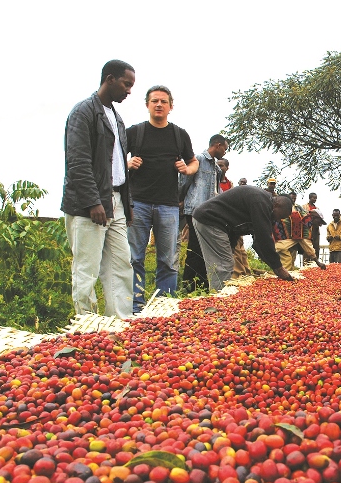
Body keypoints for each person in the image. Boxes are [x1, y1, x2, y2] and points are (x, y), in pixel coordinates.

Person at [62, 60, 135, 318]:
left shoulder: (116, 118)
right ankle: (87, 324)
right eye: (126, 84)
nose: (129, 91)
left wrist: (126, 205)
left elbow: (117, 166)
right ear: (110, 79)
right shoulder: (84, 112)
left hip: (114, 200)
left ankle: (120, 321)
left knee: (121, 264)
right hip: (88, 203)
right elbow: (78, 162)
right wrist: (94, 202)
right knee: (87, 266)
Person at [125, 85, 195, 313]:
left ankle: (164, 306)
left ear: (170, 106)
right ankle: (135, 306)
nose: (159, 105)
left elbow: (194, 162)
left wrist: (186, 169)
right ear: (147, 105)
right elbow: (113, 157)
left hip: (168, 205)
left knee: (168, 259)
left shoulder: (179, 134)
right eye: (154, 101)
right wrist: (127, 164)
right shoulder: (135, 132)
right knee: (134, 257)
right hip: (138, 203)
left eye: (163, 102)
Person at [192, 187, 295, 290]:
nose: (277, 220)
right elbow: (264, 237)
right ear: (276, 205)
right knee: (224, 265)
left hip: (217, 224)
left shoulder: (265, 204)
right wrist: (278, 268)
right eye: (279, 216)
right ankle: (218, 298)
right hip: (211, 220)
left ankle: (215, 294)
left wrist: (274, 266)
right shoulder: (261, 202)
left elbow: (257, 243)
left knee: (224, 262)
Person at [180, 134, 229, 291]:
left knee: (203, 248)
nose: (225, 152)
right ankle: (189, 285)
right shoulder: (199, 159)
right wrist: (180, 200)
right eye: (225, 149)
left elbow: (215, 191)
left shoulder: (215, 167)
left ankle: (201, 284)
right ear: (217, 145)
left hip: (207, 212)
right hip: (194, 208)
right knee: (194, 247)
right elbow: (185, 180)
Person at [273, 200, 326, 270]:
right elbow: (306, 244)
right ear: (314, 217)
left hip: (284, 241)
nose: (320, 225)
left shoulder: (303, 216)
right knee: (287, 261)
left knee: (290, 259)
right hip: (279, 241)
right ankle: (282, 278)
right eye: (320, 221)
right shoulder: (305, 222)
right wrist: (318, 262)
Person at [304, 192, 325, 258]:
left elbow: (321, 218)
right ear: (310, 198)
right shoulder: (304, 207)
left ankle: (315, 263)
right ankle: (306, 263)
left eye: (316, 198)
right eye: (313, 198)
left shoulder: (317, 208)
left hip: (315, 229)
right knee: (307, 247)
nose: (315, 199)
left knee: (316, 247)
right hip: (307, 230)